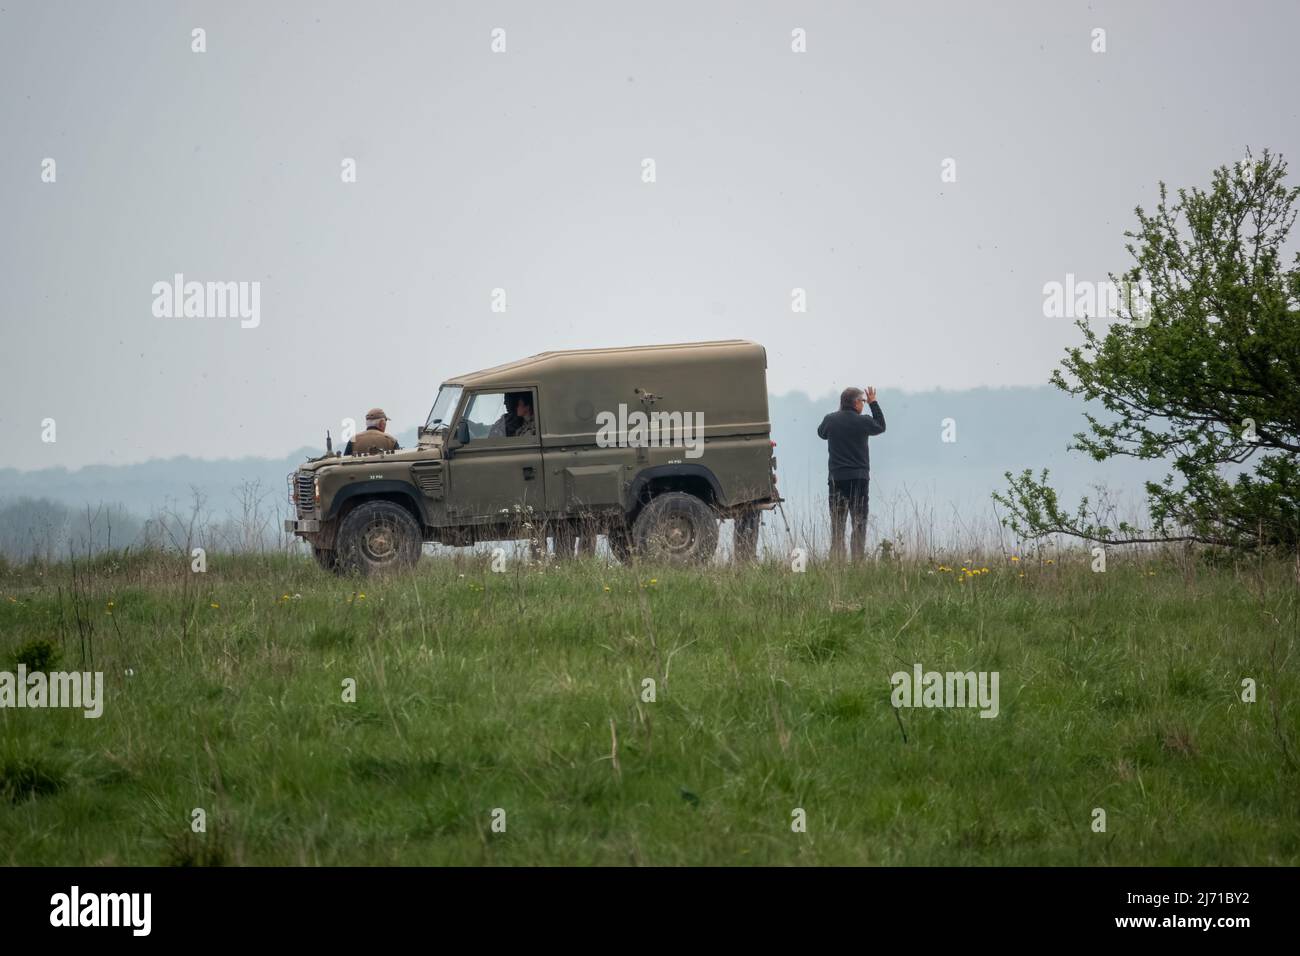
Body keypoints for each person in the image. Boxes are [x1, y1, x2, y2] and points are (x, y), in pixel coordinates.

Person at [817, 386, 885, 562]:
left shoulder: (830, 420)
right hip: (859, 479)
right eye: (863, 401)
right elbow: (881, 426)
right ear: (856, 403)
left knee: (837, 525)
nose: (863, 404)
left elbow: (821, 433)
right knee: (859, 522)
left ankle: (837, 561)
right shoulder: (863, 422)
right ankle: (857, 561)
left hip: (837, 479)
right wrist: (874, 403)